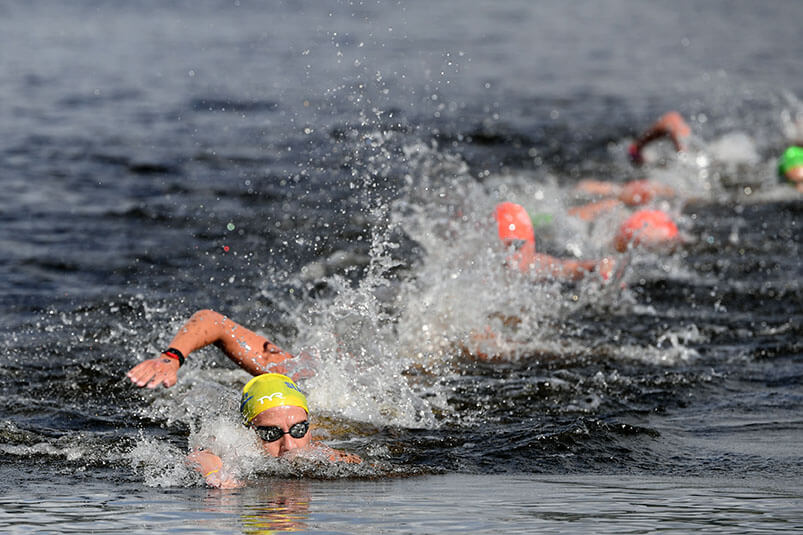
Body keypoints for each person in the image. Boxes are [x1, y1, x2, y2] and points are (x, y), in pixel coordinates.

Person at [126, 309, 361, 488]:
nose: (289, 446)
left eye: (300, 430)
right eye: (270, 434)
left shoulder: (316, 390)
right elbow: (212, 320)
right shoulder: (240, 434)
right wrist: (171, 357)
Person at [570, 111, 692, 221]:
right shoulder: (688, 164)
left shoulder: (686, 167)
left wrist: (638, 147)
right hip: (652, 192)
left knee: (610, 196)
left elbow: (671, 119)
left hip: (648, 191)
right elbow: (671, 119)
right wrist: (637, 147)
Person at [494, 201, 614, 281]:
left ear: (530, 245)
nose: (510, 257)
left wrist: (596, 266)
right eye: (503, 248)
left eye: (516, 246)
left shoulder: (533, 263)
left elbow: (568, 268)